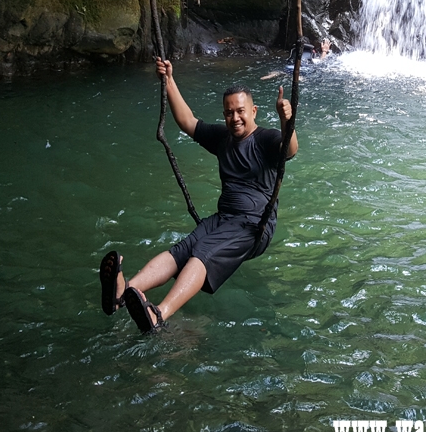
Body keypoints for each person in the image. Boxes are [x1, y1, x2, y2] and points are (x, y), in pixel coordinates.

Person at [99, 57, 298, 333]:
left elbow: (289, 150)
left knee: (202, 253)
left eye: (240, 111)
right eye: (229, 112)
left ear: (253, 111)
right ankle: (123, 292)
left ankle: (159, 314)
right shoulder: (223, 137)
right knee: (182, 250)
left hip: (253, 224)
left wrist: (286, 120)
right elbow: (187, 121)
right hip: (224, 219)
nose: (235, 118)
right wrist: (168, 80)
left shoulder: (265, 139)